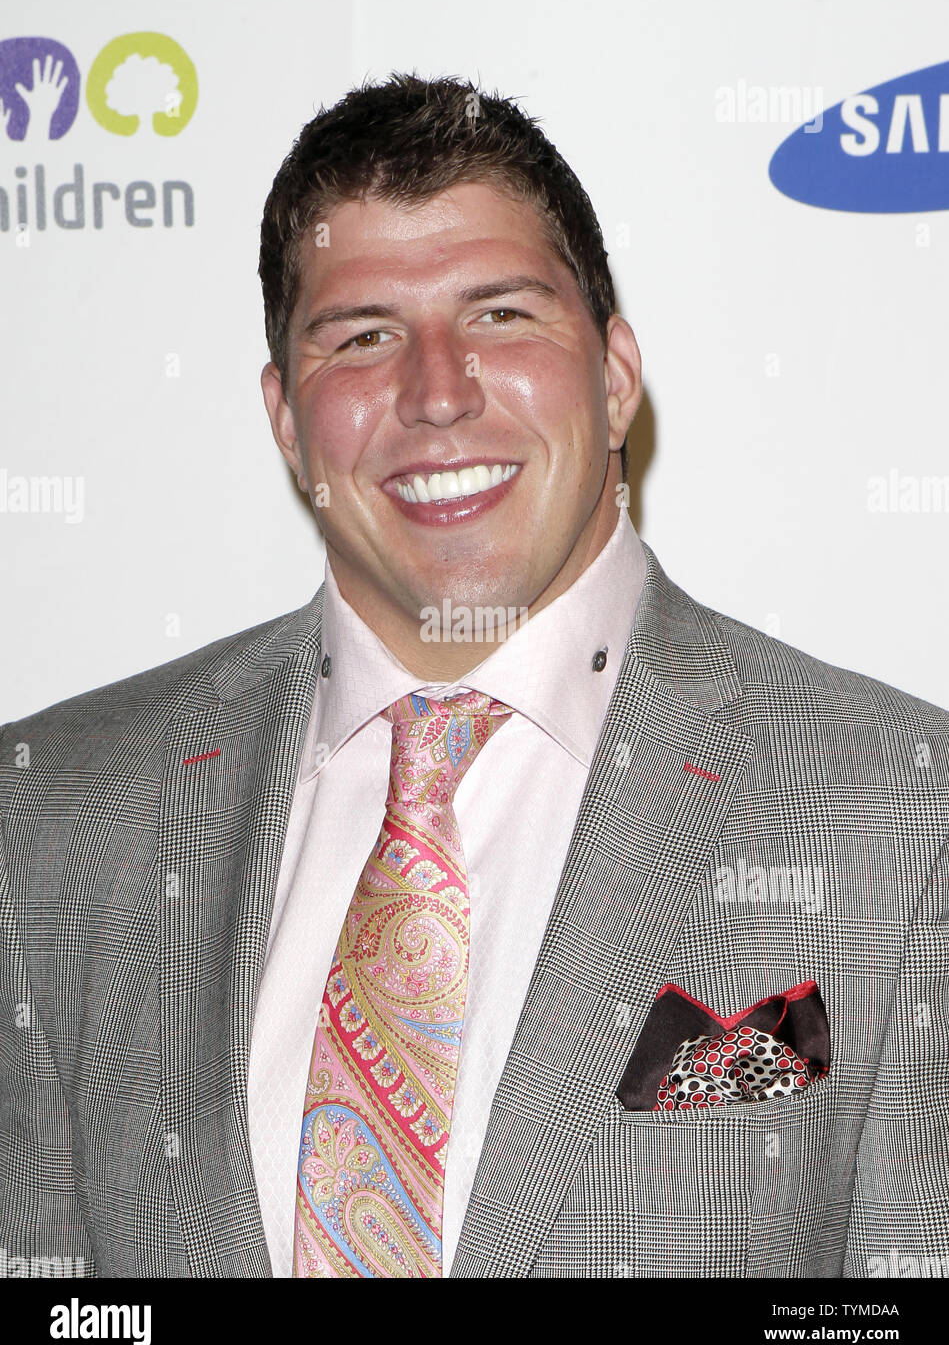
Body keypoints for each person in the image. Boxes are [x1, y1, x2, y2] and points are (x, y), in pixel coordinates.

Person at [1, 72, 946, 1280]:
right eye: (362, 337)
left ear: (613, 378)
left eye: (500, 315)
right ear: (287, 422)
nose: (436, 392)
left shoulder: (907, 814)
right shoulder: (50, 813)